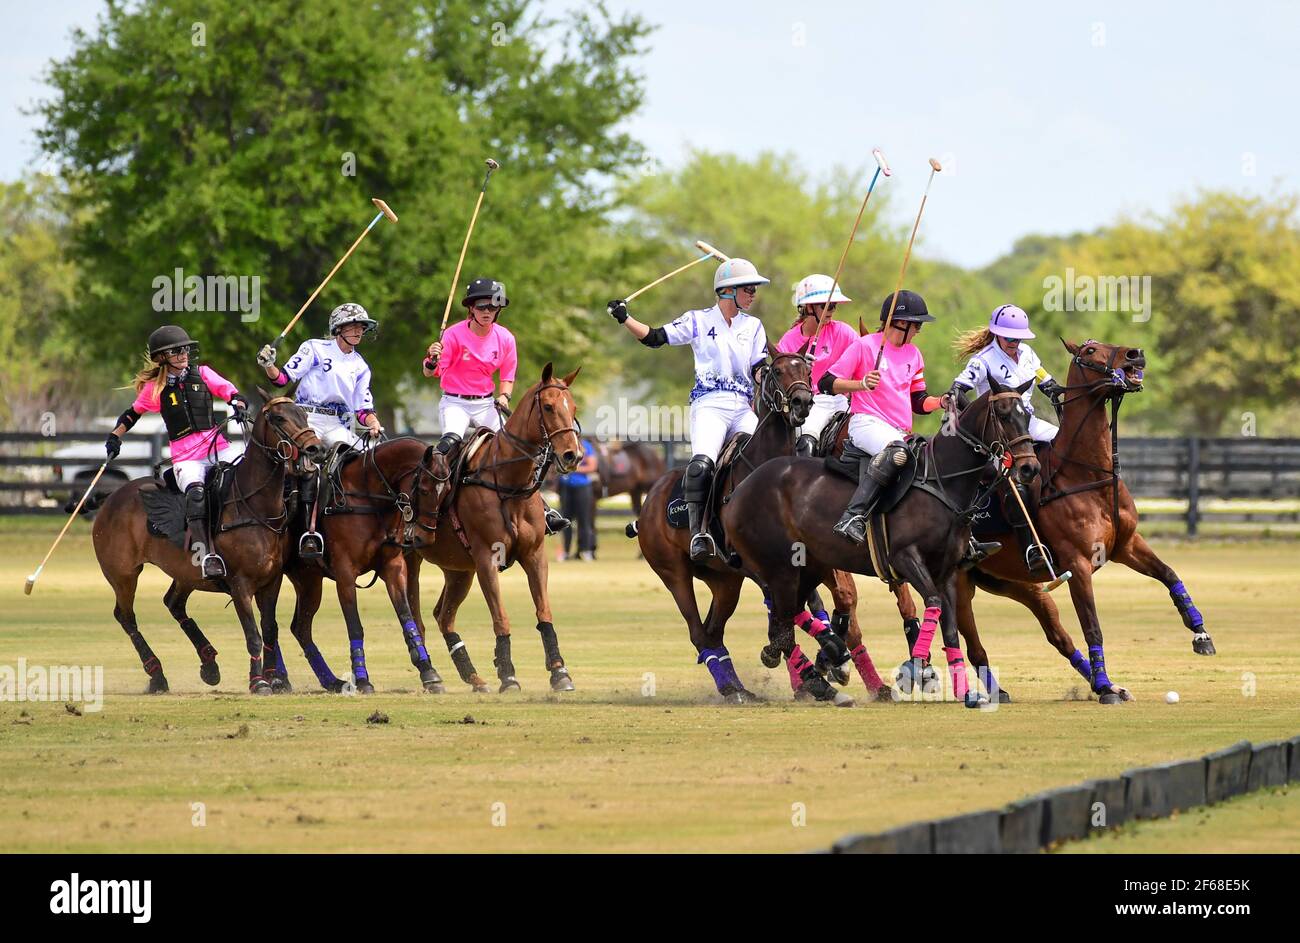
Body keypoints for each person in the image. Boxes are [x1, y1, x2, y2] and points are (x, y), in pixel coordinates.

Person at [820, 289, 998, 570]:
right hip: (866, 422)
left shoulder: (914, 354)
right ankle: (853, 517)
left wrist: (941, 401)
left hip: (898, 429)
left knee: (939, 458)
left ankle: (965, 537)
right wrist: (861, 384)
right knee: (899, 452)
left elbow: (918, 401)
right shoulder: (865, 346)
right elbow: (827, 383)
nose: (918, 330)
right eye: (915, 324)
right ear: (898, 322)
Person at [607, 257, 770, 561]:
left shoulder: (754, 326)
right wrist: (625, 318)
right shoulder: (698, 320)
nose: (753, 294)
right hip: (709, 405)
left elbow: (759, 367)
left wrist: (771, 376)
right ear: (728, 291)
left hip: (743, 407)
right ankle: (700, 532)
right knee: (702, 465)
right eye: (748, 288)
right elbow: (655, 338)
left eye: (754, 289)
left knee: (759, 461)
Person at [423, 277, 568, 534]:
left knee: (515, 449)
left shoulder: (505, 338)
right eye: (481, 307)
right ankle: (432, 509)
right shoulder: (453, 335)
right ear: (471, 309)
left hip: (486, 403)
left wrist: (504, 396)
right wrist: (431, 360)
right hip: (455, 402)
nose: (487, 312)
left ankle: (543, 510)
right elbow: (432, 372)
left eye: (492, 307)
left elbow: (508, 374)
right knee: (448, 446)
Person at [108, 325, 249, 579]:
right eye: (176, 351)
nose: (183, 354)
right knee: (196, 493)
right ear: (162, 358)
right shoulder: (155, 390)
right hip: (187, 458)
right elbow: (132, 414)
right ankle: (207, 555)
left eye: (184, 349)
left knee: (247, 480)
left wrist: (238, 403)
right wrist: (115, 437)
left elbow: (229, 390)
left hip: (219, 449)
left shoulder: (203, 373)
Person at [256, 302, 384, 558]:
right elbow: (282, 379)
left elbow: (362, 407)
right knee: (310, 470)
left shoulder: (360, 365)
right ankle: (306, 530)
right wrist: (269, 364)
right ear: (338, 328)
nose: (359, 331)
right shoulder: (314, 348)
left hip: (338, 422)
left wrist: (372, 423)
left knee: (369, 462)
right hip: (307, 418)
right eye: (354, 326)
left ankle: (357, 523)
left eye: (362, 327)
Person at [948, 303, 1064, 573]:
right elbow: (957, 390)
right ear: (997, 335)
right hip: (997, 434)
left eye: (1019, 338)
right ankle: (1029, 549)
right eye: (1010, 338)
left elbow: (1048, 383)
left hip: (1027, 424)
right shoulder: (983, 360)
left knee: (1063, 446)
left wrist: (1065, 397)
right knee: (1012, 482)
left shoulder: (1028, 354)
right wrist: (978, 430)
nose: (1015, 342)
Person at [776, 274, 857, 456]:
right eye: (825, 305)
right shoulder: (790, 340)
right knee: (807, 442)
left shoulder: (844, 332)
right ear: (809, 307)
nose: (831, 310)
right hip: (812, 403)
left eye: (834, 305)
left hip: (842, 400)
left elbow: (863, 359)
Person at [557, 437, 598, 561]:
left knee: (584, 520)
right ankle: (565, 551)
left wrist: (574, 469)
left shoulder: (585, 446)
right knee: (565, 521)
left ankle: (585, 551)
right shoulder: (562, 444)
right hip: (565, 487)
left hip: (582, 487)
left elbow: (592, 466)